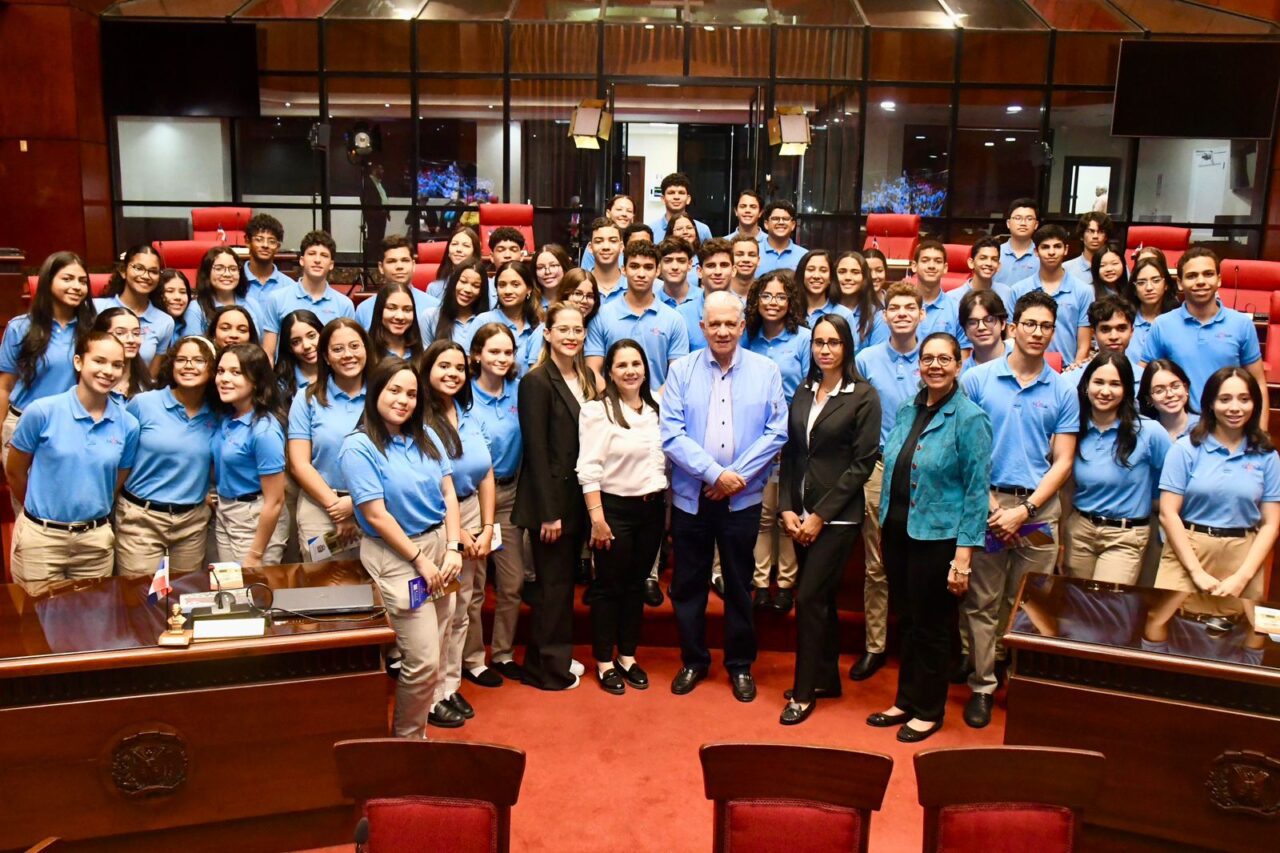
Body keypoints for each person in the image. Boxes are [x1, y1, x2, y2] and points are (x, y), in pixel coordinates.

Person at [959, 290, 1079, 729]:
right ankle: (983, 686)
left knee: (1029, 602)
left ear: (1052, 333)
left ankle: (1019, 677)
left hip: (1039, 515)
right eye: (1029, 323)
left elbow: (1063, 460)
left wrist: (1025, 510)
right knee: (982, 600)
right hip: (986, 506)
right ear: (1012, 328)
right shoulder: (978, 380)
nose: (1037, 332)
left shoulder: (1063, 390)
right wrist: (994, 507)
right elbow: (966, 448)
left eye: (1046, 326)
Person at [661, 290, 787, 702]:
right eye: (713, 323)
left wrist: (736, 477)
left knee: (738, 583)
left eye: (729, 323)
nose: (721, 330)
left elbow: (776, 432)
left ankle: (739, 664)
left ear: (741, 326)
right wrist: (715, 473)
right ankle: (694, 660)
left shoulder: (766, 370)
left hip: (742, 500)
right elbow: (671, 435)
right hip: (691, 498)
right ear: (702, 327)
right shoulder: (681, 371)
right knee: (688, 584)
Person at [866, 332, 991, 741]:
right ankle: (905, 700)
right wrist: (884, 527)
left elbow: (976, 493)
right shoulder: (907, 409)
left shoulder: (970, 418)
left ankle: (929, 709)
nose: (935, 365)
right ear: (918, 365)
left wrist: (964, 557)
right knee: (909, 622)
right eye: (928, 359)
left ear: (959, 365)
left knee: (934, 627)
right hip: (900, 532)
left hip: (938, 541)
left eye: (944, 359)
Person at [338, 358, 463, 739]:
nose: (403, 400)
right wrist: (420, 560)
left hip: (439, 546)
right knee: (422, 660)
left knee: (438, 646)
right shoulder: (358, 446)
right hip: (399, 555)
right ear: (375, 391)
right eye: (394, 390)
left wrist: (454, 547)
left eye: (411, 393)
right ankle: (407, 744)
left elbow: (449, 494)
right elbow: (375, 516)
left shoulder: (427, 434)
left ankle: (419, 729)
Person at [777, 314, 880, 725]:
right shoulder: (804, 391)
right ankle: (826, 679)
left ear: (846, 347)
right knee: (822, 603)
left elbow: (862, 464)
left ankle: (803, 695)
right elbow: (791, 454)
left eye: (833, 342)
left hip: (836, 519)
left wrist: (819, 515)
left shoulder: (863, 395)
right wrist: (786, 506)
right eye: (819, 342)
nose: (824, 349)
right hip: (799, 513)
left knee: (808, 599)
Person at [5, 331, 139, 583]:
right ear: (79, 362)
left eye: (117, 365)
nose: (108, 371)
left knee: (92, 620)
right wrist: (40, 510)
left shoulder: (128, 424)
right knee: (36, 620)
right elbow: (14, 470)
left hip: (94, 541)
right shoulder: (42, 412)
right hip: (42, 539)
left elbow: (116, 480)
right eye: (99, 361)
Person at [512, 302, 599, 690]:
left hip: (576, 498)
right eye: (562, 329)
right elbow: (536, 449)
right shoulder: (536, 380)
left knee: (563, 587)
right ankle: (545, 670)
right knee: (551, 589)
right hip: (552, 507)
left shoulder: (583, 377)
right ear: (546, 334)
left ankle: (556, 656)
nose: (570, 336)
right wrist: (549, 513)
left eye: (577, 330)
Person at [578, 339, 667, 694]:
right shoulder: (597, 411)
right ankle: (603, 661)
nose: (631, 371)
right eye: (622, 365)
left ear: (645, 368)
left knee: (636, 585)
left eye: (636, 364)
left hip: (651, 509)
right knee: (608, 588)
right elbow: (588, 468)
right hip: (613, 509)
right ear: (610, 373)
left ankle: (627, 656)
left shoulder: (657, 407)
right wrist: (597, 518)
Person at [419, 340, 496, 726]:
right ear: (427, 369)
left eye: (458, 368)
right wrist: (460, 532)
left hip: (470, 511)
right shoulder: (416, 417)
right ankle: (431, 696)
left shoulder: (467, 411)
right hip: (435, 521)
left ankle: (450, 686)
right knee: (439, 613)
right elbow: (431, 483)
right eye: (443, 366)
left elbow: (486, 472)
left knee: (462, 607)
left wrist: (486, 526)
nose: (451, 374)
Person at [1157, 367, 1280, 600]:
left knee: (1240, 634)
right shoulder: (1185, 449)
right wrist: (1196, 572)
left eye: (1244, 399)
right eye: (1225, 399)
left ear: (1255, 404)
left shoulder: (1267, 456)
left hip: (1243, 557)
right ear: (1211, 404)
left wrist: (1242, 577)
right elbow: (1167, 514)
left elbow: (1271, 524)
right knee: (1168, 632)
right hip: (1187, 552)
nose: (1235, 407)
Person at [852, 282, 924, 682]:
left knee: (919, 561)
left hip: (924, 472)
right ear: (884, 315)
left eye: (908, 308)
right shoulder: (866, 360)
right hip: (879, 468)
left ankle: (914, 642)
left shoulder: (934, 356)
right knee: (877, 563)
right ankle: (874, 645)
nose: (900, 314)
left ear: (921, 314)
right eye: (893, 308)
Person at [115, 335, 219, 575]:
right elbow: (119, 455)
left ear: (212, 369)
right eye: (181, 359)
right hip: (142, 519)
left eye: (198, 360)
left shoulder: (217, 413)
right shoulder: (144, 404)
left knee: (184, 599)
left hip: (191, 523)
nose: (188, 366)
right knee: (141, 599)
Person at [1066, 351, 1171, 584]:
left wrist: (1147, 499)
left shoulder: (1149, 432)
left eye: (1115, 384)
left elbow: (1172, 485)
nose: (1105, 391)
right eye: (1099, 382)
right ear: (1085, 386)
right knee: (1074, 605)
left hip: (1125, 536)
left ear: (1126, 392)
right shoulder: (1074, 429)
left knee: (1106, 609)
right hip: (1080, 530)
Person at [463, 323, 529, 685]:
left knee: (513, 581)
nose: (502, 359)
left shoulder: (520, 390)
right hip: (471, 499)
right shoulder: (464, 396)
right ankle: (473, 659)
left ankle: (502, 653)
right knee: (473, 586)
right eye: (494, 352)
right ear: (477, 355)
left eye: (508, 352)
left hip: (509, 496)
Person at [1140, 247, 1268, 427]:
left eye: (1208, 274)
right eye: (1192, 276)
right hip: (1179, 429)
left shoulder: (1241, 324)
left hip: (1230, 427)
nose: (1200, 281)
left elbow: (1258, 384)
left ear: (1219, 280)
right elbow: (1143, 379)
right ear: (1179, 283)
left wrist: (1261, 434)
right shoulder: (1162, 325)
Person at [745, 269, 811, 611]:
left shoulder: (802, 339)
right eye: (766, 296)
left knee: (788, 511)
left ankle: (785, 582)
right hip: (753, 437)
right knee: (763, 512)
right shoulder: (748, 337)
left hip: (791, 436)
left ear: (791, 301)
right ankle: (759, 581)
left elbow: (808, 389)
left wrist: (788, 435)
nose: (772, 303)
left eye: (780, 297)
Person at [0, 251, 94, 477]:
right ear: (47, 281)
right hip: (23, 422)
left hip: (73, 423)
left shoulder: (93, 329)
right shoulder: (20, 327)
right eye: (67, 278)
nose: (77, 286)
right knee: (26, 507)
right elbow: (5, 387)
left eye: (82, 281)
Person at [287, 318, 369, 563]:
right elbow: (299, 464)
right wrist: (337, 509)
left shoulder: (384, 393)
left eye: (355, 346)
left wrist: (354, 504)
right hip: (320, 509)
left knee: (373, 590)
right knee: (322, 590)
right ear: (325, 356)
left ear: (366, 348)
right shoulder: (307, 397)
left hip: (374, 506)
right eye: (337, 349)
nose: (348, 355)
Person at [210, 343, 289, 567]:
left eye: (236, 373)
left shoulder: (264, 430)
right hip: (226, 511)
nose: (224, 378)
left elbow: (275, 501)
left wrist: (255, 555)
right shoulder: (228, 416)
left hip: (254, 517)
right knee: (232, 592)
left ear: (256, 381)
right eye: (221, 371)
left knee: (253, 595)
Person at [586, 241, 689, 394]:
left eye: (648, 267)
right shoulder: (602, 315)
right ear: (624, 270)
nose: (641, 274)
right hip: (610, 409)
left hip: (658, 410)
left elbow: (677, 375)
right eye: (634, 266)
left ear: (657, 270)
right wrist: (615, 405)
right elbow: (592, 370)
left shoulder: (674, 319)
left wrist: (652, 406)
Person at [260, 230, 356, 360]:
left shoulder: (344, 304)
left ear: (331, 264)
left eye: (324, 255)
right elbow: (268, 353)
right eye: (311, 254)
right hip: (287, 377)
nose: (317, 260)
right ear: (302, 260)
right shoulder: (277, 299)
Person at [1009, 225, 1094, 366]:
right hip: (1025, 367)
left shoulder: (1083, 291)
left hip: (1067, 369)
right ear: (1036, 251)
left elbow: (1084, 345)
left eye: (1057, 246)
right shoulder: (1018, 290)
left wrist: (1072, 375)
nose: (1051, 252)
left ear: (1066, 249)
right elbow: (1011, 338)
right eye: (1045, 247)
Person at [94, 244, 174, 367]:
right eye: (138, 268)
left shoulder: (164, 322)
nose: (146, 276)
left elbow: (151, 377)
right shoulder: (96, 308)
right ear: (123, 271)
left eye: (153, 271)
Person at [354, 236, 435, 340]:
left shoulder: (433, 306)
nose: (399, 266)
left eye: (405, 260)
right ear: (381, 267)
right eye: (392, 261)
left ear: (413, 265)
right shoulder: (363, 309)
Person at [475, 260, 543, 375]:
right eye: (502, 285)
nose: (507, 291)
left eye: (515, 285)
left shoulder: (537, 327)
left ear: (529, 289)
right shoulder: (483, 321)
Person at [1121, 255, 1178, 364]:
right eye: (1141, 282)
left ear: (1165, 285)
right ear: (1134, 289)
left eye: (1156, 281)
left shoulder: (1176, 320)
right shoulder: (1124, 319)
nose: (1149, 288)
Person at [91, 308, 155, 400]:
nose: (131, 340)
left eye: (136, 333)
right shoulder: (91, 382)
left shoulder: (147, 387)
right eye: (120, 333)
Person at [428, 258, 491, 348]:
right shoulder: (431, 316)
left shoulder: (487, 321)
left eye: (475, 286)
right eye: (463, 282)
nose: (467, 290)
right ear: (454, 282)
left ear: (481, 292)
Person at [833, 251, 888, 352]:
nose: (848, 277)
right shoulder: (823, 310)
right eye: (842, 271)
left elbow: (877, 359)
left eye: (855, 272)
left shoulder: (877, 315)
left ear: (864, 278)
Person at [912, 240, 965, 343]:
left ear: (945, 268)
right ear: (914, 266)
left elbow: (962, 355)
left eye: (938, 261)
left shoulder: (957, 309)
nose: (931, 266)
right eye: (925, 260)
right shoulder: (900, 306)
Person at [192, 245, 253, 334]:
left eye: (233, 269)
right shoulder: (196, 308)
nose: (227, 274)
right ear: (207, 272)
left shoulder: (252, 304)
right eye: (219, 268)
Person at [946, 238, 1012, 315]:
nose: (989, 263)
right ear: (971, 263)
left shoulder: (1006, 293)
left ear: (998, 266)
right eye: (983, 258)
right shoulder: (952, 298)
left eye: (994, 259)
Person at [243, 213, 293, 313]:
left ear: (278, 247)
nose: (265, 245)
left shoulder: (290, 286)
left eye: (271, 241)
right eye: (259, 239)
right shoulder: (234, 280)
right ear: (247, 242)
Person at [365, 281, 425, 364]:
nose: (400, 316)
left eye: (407, 310)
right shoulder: (365, 352)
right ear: (379, 310)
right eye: (391, 308)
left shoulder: (424, 354)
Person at [1140, 359, 1199, 441]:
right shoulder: (1144, 434)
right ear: (1149, 399)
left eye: (1175, 386)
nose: (1170, 394)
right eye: (1159, 391)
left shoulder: (1208, 428)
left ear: (1186, 388)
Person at [648, 172, 713, 244]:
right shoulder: (651, 230)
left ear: (688, 199)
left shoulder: (702, 230)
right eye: (671, 193)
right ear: (663, 199)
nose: (676, 197)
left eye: (681, 193)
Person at [273, 309, 322, 402]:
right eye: (296, 342)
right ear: (289, 348)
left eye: (311, 336)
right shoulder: (281, 385)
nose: (306, 346)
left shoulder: (339, 372)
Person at [425, 225, 482, 302]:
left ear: (474, 253)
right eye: (454, 244)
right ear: (448, 252)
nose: (459, 249)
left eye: (466, 245)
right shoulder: (434, 288)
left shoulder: (487, 286)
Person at [581, 195, 636, 272]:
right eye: (619, 209)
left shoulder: (637, 243)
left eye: (629, 211)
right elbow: (586, 275)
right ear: (608, 213)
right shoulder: (596, 245)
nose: (624, 214)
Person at [796, 250, 850, 327]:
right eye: (810, 270)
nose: (816, 276)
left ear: (831, 277)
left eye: (823, 270)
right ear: (801, 275)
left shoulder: (844, 314)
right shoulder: (790, 311)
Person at [993, 197, 1040, 286]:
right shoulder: (995, 253)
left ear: (1036, 225)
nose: (1023, 223)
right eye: (1018, 218)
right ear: (1008, 223)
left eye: (1029, 219)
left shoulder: (1042, 256)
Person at [958, 290, 1008, 372]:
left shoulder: (1024, 360)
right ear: (964, 329)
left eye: (989, 320)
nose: (981, 327)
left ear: (1003, 323)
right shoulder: (963, 374)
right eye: (972, 322)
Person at [757, 200, 806, 275]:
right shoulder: (754, 252)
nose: (781, 222)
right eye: (775, 218)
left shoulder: (804, 256)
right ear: (766, 224)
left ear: (793, 225)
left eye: (785, 219)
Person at [1065, 211, 1115, 283]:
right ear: (1082, 236)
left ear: (1106, 237)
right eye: (1090, 231)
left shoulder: (1116, 267)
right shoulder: (1066, 269)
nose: (1095, 236)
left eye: (1101, 231)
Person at [587, 218, 627, 304]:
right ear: (590, 247)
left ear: (621, 247)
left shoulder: (633, 285)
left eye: (613, 241)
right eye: (598, 241)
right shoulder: (580, 284)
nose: (606, 247)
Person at [361, 163, 390, 269]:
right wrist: (376, 212)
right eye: (380, 168)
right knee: (374, 237)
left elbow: (383, 197)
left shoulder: (379, 183)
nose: (383, 171)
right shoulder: (368, 183)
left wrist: (386, 212)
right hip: (374, 216)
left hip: (381, 215)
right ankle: (372, 261)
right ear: (374, 169)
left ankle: (377, 258)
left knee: (380, 238)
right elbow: (369, 200)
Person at [154, 269, 198, 339]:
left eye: (183, 292)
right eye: (170, 291)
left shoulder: (187, 324)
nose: (177, 297)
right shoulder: (150, 327)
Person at [656, 238, 697, 312]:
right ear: (659, 265)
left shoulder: (705, 299)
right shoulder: (652, 302)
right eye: (668, 261)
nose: (675, 267)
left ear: (690, 264)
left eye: (681, 261)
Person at [556, 268, 600, 333]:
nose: (584, 301)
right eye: (578, 294)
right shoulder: (549, 327)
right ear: (565, 294)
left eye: (590, 296)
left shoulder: (597, 329)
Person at [533, 244, 571, 308]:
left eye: (553, 266)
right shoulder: (529, 305)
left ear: (564, 267)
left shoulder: (575, 300)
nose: (547, 272)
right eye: (540, 267)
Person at [730, 233, 761, 301]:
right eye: (739, 254)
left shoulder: (764, 293)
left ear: (758, 261)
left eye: (751, 255)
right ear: (730, 259)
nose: (746, 260)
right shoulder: (720, 293)